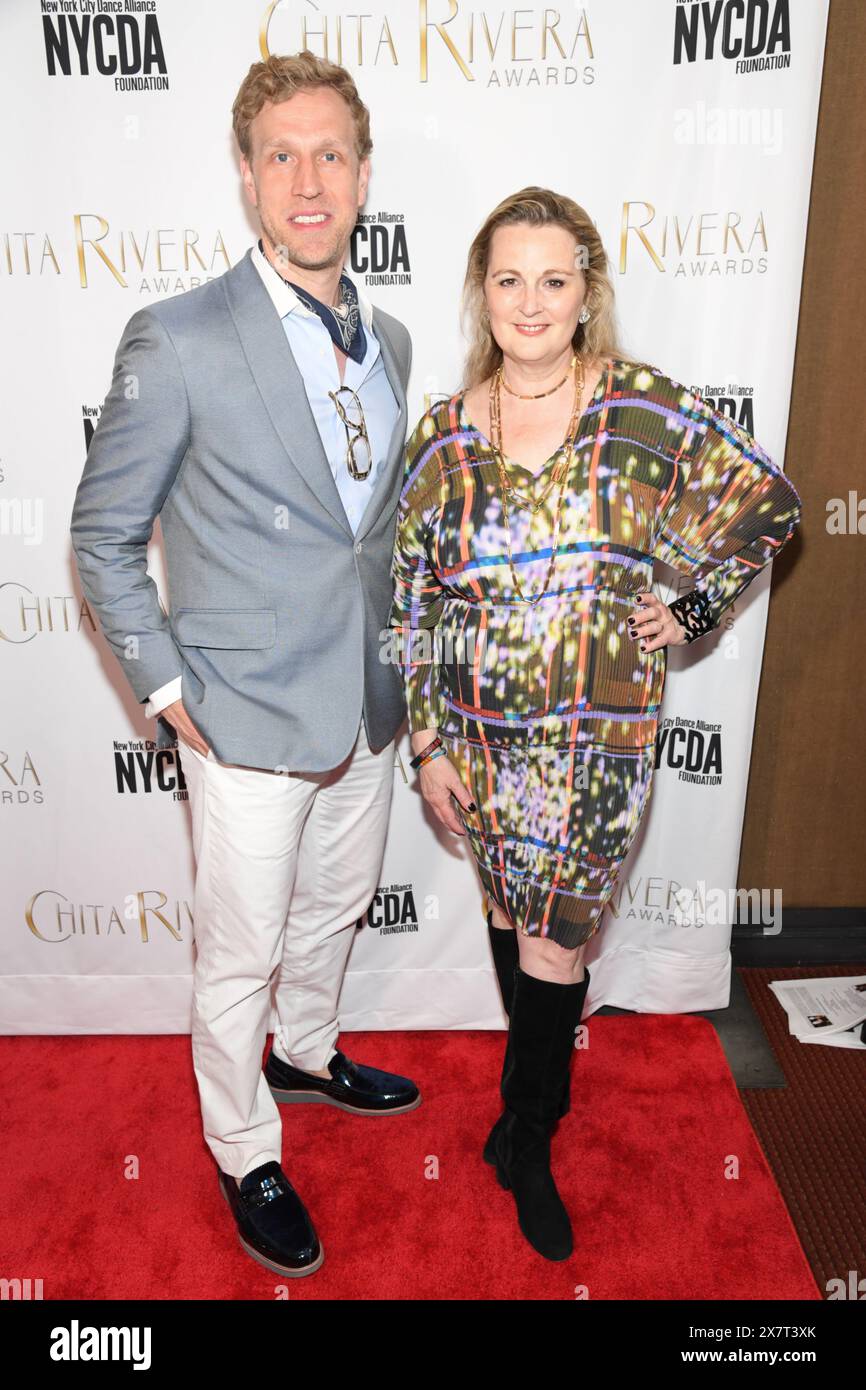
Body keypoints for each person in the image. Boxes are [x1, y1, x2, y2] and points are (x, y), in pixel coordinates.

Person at [388, 186, 802, 1262]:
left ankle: (526, 1136)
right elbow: (413, 600)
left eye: (554, 280)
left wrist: (694, 603)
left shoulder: (642, 410)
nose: (530, 301)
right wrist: (426, 743)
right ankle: (519, 1111)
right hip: (475, 738)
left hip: (599, 744)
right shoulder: (438, 436)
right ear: (481, 292)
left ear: (585, 296)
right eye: (508, 278)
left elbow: (771, 505)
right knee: (507, 912)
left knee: (557, 938)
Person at [70, 51, 419, 1280]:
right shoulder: (177, 338)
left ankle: (309, 1050)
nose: (306, 178)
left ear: (363, 174)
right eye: (281, 154)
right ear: (246, 175)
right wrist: (167, 693)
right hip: (242, 715)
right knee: (238, 947)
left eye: (329, 152)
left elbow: (366, 536)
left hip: (363, 706)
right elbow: (102, 536)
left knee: (331, 908)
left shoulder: (394, 339)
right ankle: (241, 1144)